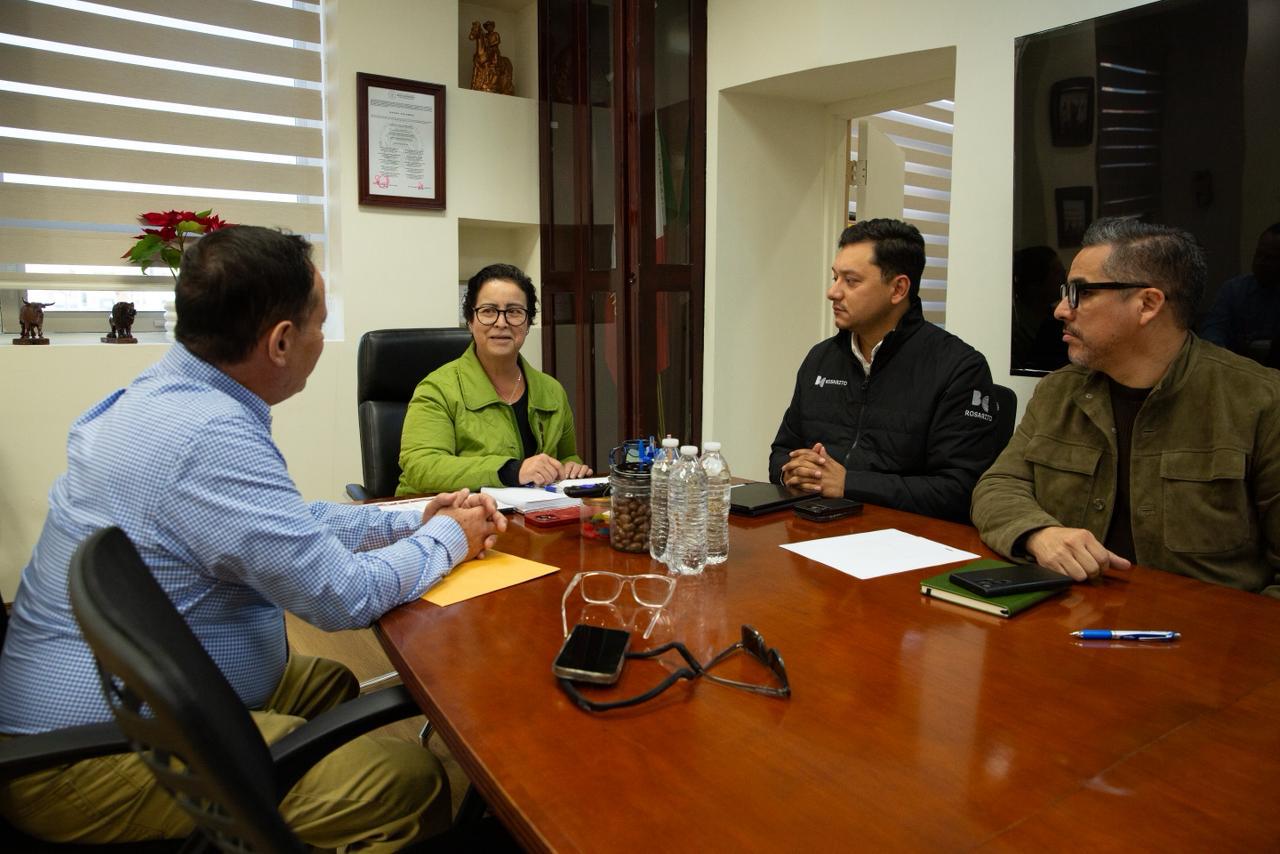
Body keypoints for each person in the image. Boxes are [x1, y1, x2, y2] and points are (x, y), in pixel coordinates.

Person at [0, 226, 507, 848]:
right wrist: (451, 538)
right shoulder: (207, 439)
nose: (323, 339)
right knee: (409, 779)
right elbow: (342, 598)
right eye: (320, 324)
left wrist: (413, 516)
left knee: (331, 687)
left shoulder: (172, 396)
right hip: (83, 761)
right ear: (282, 341)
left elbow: (285, 523)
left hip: (148, 694)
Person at [972, 218, 1280, 598]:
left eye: (1080, 293)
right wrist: (1039, 533)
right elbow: (998, 485)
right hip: (1071, 619)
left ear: (1148, 304)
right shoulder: (1059, 391)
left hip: (1208, 641)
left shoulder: (1261, 402)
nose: (1060, 310)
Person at [769, 218, 999, 522]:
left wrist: (848, 483)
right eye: (835, 277)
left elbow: (960, 490)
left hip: (908, 540)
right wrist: (794, 473)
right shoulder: (821, 358)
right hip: (816, 527)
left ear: (898, 288)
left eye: (850, 281)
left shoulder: (959, 367)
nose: (833, 292)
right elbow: (781, 453)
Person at [398, 263, 591, 494]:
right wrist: (511, 470)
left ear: (528, 324)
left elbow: (567, 455)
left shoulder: (552, 391)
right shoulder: (437, 389)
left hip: (528, 516)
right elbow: (421, 467)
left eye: (514, 312)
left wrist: (570, 468)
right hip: (444, 518)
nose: (501, 322)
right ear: (471, 320)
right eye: (488, 311)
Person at [1199, 222, 1280, 364]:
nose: (1261, 262)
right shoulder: (1235, 290)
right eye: (1259, 254)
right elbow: (1212, 334)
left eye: (1270, 258)